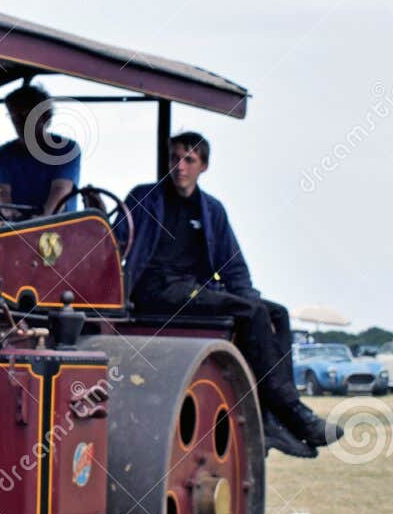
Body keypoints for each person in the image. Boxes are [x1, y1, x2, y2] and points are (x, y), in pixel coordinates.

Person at [121, 130, 340, 458]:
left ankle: (273, 414)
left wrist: (248, 297)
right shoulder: (145, 198)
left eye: (188, 160)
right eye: (175, 158)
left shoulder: (211, 210)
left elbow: (233, 264)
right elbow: (117, 238)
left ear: (203, 166)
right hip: (157, 292)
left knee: (274, 312)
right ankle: (289, 412)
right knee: (250, 312)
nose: (180, 166)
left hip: (195, 292)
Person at [0, 82, 80, 220]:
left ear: (45, 116)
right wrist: (11, 215)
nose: (19, 122)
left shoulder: (66, 149)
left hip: (60, 231)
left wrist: (40, 220)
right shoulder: (1, 155)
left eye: (26, 115)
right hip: (16, 228)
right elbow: (1, 192)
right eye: (14, 116)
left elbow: (60, 190)